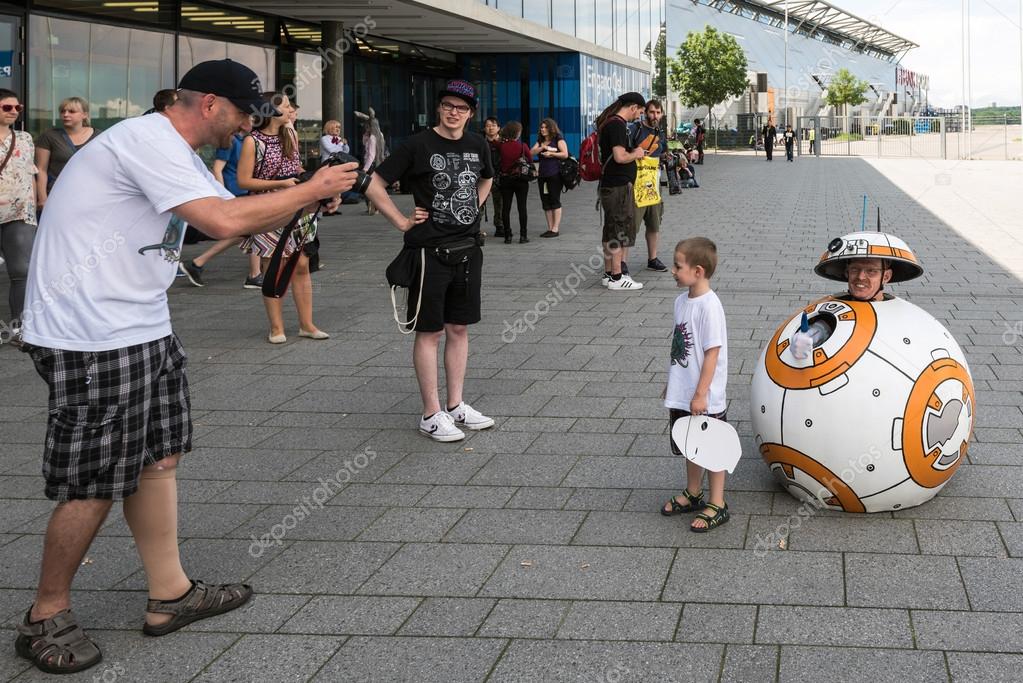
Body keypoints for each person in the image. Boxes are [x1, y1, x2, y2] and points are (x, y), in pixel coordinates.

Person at [15, 59, 356, 675]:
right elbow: (223, 220)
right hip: (91, 333)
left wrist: (302, 198)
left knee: (157, 455)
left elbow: (217, 221)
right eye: (244, 114)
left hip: (139, 321)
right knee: (93, 478)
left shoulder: (170, 146)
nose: (248, 126)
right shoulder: (148, 141)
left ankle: (169, 594)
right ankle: (46, 613)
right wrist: (310, 189)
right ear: (208, 105)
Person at [364, 78, 496, 443]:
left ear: (470, 114)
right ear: (439, 108)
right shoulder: (417, 145)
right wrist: (401, 221)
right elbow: (374, 183)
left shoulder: (477, 143)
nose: (454, 113)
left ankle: (455, 405)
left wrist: (475, 207)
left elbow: (487, 179)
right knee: (431, 332)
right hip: (428, 251)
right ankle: (430, 413)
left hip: (468, 249)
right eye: (449, 106)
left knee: (459, 328)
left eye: (462, 108)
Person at [238, 91, 327, 344]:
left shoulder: (291, 134)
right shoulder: (252, 142)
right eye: (286, 106)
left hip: (297, 205)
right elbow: (243, 180)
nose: (290, 110)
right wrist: (279, 183)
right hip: (266, 208)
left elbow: (295, 166)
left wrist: (308, 178)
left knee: (301, 265)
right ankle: (276, 327)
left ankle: (306, 324)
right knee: (273, 267)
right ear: (271, 111)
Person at [660, 237, 730, 531]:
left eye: (678, 266)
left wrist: (701, 393)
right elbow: (680, 349)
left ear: (698, 271)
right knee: (690, 444)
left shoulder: (709, 307)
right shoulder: (681, 301)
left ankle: (718, 502)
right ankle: (694, 491)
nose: (673, 271)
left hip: (704, 397)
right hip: (684, 391)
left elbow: (712, 354)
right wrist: (673, 383)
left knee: (712, 448)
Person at [178, 131, 264, 288]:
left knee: (250, 231)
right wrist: (224, 198)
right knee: (249, 230)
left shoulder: (245, 140)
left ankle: (198, 263)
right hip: (234, 193)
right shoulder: (230, 141)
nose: (250, 121)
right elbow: (218, 169)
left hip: (240, 193)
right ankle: (254, 274)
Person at [596, 92, 648, 291]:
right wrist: (637, 153)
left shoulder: (609, 122)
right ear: (633, 107)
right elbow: (619, 157)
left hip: (611, 184)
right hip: (618, 186)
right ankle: (618, 277)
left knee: (610, 228)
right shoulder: (617, 125)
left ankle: (609, 274)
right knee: (619, 228)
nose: (639, 116)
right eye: (640, 112)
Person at [0, 88, 37, 338]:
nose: (14, 111)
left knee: (22, 270)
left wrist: (34, 206)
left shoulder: (24, 138)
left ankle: (20, 327)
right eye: (7, 107)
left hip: (20, 213)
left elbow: (30, 173)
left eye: (17, 108)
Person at [34, 97, 98, 214]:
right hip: (57, 195)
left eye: (71, 111)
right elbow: (41, 170)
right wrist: (43, 199)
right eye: (63, 111)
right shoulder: (49, 136)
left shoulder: (99, 136)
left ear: (84, 115)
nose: (65, 114)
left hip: (89, 195)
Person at [630, 99, 668, 272]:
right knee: (632, 224)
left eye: (658, 112)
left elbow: (663, 150)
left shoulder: (660, 130)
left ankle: (652, 258)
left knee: (654, 223)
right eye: (652, 112)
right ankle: (621, 265)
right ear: (645, 112)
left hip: (653, 182)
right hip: (637, 183)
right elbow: (625, 151)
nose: (655, 116)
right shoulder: (635, 129)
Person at [530, 117, 568, 238]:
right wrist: (542, 147)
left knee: (554, 199)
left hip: (554, 174)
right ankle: (550, 228)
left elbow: (565, 154)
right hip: (543, 175)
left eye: (545, 127)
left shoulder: (558, 138)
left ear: (551, 128)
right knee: (545, 201)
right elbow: (531, 152)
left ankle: (555, 228)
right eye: (541, 127)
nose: (543, 129)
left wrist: (551, 153)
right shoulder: (540, 140)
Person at [497, 120, 532, 244]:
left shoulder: (501, 146)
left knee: (506, 208)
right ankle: (523, 236)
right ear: (517, 132)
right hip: (521, 180)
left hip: (505, 179)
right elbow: (530, 161)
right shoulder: (523, 146)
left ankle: (508, 236)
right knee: (522, 207)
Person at [483, 116, 504, 238]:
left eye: (493, 125)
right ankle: (475, 227)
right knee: (479, 203)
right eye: (488, 125)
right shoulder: (480, 142)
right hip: (482, 177)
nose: (490, 128)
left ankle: (499, 226)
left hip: (499, 177)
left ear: (498, 128)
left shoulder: (503, 143)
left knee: (499, 203)